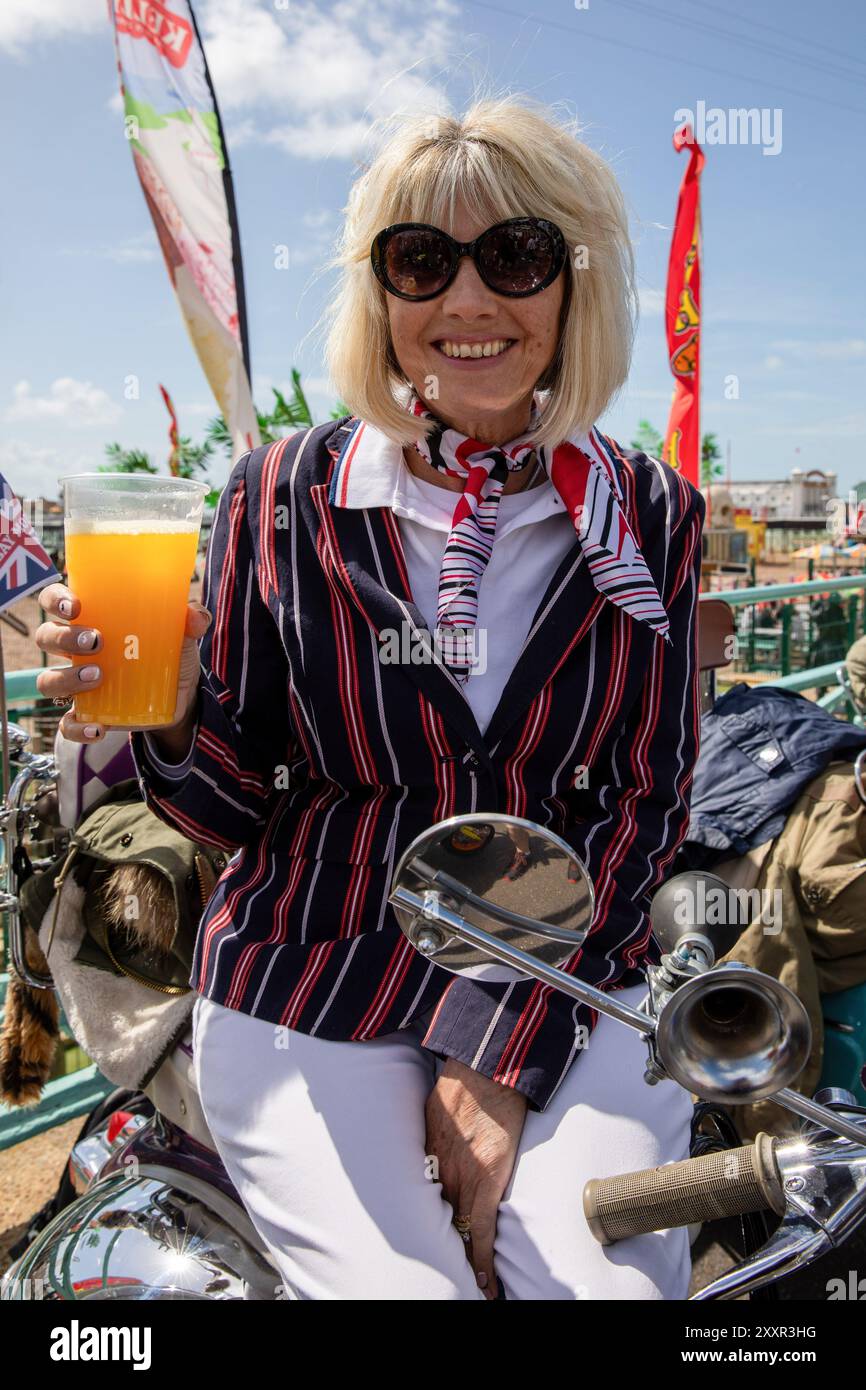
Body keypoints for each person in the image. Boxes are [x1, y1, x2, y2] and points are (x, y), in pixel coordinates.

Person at [34, 96, 704, 1301]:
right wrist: (176, 711)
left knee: (592, 1294)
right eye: (420, 261)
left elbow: (646, 798)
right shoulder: (277, 492)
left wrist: (502, 1047)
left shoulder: (649, 513)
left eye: (514, 255)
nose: (464, 301)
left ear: (573, 282)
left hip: (564, 965)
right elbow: (229, 813)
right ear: (381, 292)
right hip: (311, 965)